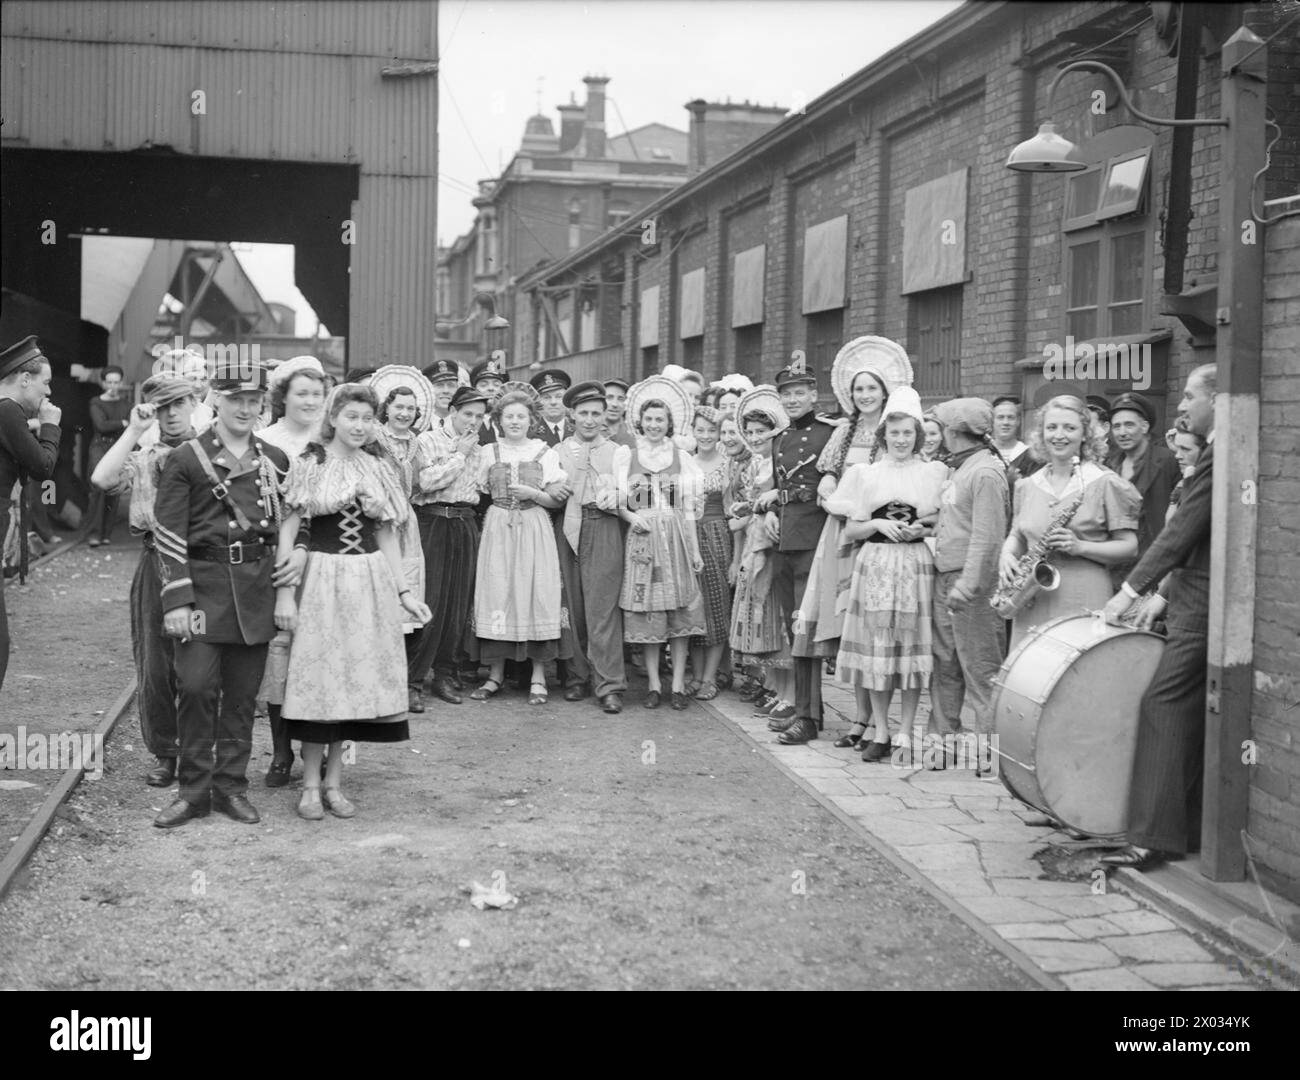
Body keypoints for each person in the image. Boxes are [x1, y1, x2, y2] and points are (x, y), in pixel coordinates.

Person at [273, 384, 431, 821]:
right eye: (351, 417)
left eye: (366, 418)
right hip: (321, 577)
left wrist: (404, 592)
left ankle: (335, 783)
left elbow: (386, 534)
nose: (359, 426)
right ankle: (308, 786)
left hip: (367, 581)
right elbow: (288, 528)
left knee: (352, 680)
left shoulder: (377, 465)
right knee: (318, 679)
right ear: (334, 417)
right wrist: (285, 589)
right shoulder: (312, 461)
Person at [152, 359, 290, 828]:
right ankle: (193, 792)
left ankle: (231, 787)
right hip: (202, 591)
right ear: (216, 399)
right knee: (194, 688)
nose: (246, 408)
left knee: (240, 699)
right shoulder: (187, 458)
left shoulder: (274, 459)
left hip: (254, 594)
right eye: (236, 400)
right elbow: (168, 533)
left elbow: (292, 525)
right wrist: (178, 601)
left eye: (255, 401)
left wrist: (295, 566)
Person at [1101, 366, 1216, 870]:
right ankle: (1185, 829)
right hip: (1188, 599)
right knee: (1185, 715)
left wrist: (1130, 591)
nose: (1183, 405)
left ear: (1216, 397)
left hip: (1198, 605)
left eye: (1191, 395)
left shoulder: (1213, 454)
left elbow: (1179, 534)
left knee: (1162, 706)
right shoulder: (1211, 451)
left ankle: (1152, 837)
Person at [792, 336, 910, 745]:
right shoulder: (844, 431)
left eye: (871, 389)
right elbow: (828, 472)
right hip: (840, 531)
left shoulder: (893, 433)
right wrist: (828, 492)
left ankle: (874, 721)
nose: (864, 395)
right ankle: (859, 719)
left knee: (871, 629)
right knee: (847, 629)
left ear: (884, 392)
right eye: (858, 389)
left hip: (875, 535)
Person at [89, 373, 200, 787]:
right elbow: (102, 479)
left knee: (202, 663)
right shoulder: (145, 453)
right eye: (163, 406)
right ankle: (166, 753)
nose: (172, 414)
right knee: (156, 664)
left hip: (202, 562)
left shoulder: (211, 451)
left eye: (179, 404)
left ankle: (199, 750)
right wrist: (135, 429)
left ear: (194, 403)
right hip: (156, 563)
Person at [834, 388, 947, 761]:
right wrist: (877, 521)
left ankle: (905, 730)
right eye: (894, 433)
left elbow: (939, 521)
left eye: (908, 433)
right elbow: (851, 529)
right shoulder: (865, 474)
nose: (901, 440)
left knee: (911, 647)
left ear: (918, 435)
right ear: (884, 436)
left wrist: (924, 529)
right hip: (878, 562)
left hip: (914, 564)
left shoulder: (934, 473)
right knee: (879, 649)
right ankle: (880, 728)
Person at [999, 395, 1140, 647]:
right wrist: (1007, 555)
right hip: (1032, 596)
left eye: (1069, 427)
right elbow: (1017, 535)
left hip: (1083, 596)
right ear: (1041, 434)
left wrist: (1081, 546)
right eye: (1051, 427)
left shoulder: (1105, 482)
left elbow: (1129, 546)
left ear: (1085, 434)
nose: (1059, 435)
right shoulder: (1027, 485)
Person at [468, 388, 569, 705]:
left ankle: (539, 677)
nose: (514, 421)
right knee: (499, 593)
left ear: (531, 420)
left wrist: (533, 493)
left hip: (534, 526)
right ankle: (495, 674)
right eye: (508, 416)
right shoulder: (488, 453)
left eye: (520, 416)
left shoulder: (545, 453)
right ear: (498, 420)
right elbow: (474, 487)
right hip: (498, 526)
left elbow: (557, 497)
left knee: (537, 593)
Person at [254, 355, 327, 785]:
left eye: (317, 394)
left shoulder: (334, 438)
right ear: (283, 396)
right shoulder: (263, 439)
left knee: (318, 654)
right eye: (302, 393)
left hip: (327, 559)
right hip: (278, 558)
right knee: (278, 652)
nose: (310, 401)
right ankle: (281, 752)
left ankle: (315, 754)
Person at [759, 356, 837, 744]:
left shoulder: (830, 433)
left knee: (807, 627)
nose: (792, 399)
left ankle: (808, 714)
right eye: (786, 394)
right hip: (785, 539)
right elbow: (779, 485)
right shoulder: (780, 439)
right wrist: (772, 510)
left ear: (813, 395)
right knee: (795, 628)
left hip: (815, 537)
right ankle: (806, 710)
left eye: (799, 392)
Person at [618, 378, 706, 710]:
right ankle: (655, 684)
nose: (655, 425)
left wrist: (694, 550)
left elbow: (688, 508)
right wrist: (632, 518)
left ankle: (679, 685)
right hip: (643, 537)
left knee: (680, 615)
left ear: (670, 424)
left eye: (661, 420)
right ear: (641, 422)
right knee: (650, 611)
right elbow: (617, 501)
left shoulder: (681, 457)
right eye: (650, 419)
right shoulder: (629, 455)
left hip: (675, 538)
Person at [929, 398, 1010, 739]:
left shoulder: (985, 472)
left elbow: (988, 538)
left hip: (971, 585)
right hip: (947, 577)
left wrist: (969, 583)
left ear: (953, 431)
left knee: (980, 667)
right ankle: (944, 735)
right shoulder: (962, 468)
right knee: (945, 662)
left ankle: (990, 746)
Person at [406, 385, 488, 708]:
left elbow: (481, 488)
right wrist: (459, 455)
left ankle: (446, 674)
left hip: (464, 521)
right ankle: (413, 679)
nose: (472, 422)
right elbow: (424, 483)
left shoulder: (482, 448)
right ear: (451, 412)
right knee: (430, 599)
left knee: (458, 602)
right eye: (467, 414)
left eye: (479, 416)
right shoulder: (427, 441)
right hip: (433, 520)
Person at [553, 380, 630, 714]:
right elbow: (548, 491)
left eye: (595, 413)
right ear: (572, 415)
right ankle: (576, 677)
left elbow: (641, 495)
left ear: (604, 416)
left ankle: (609, 684)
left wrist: (620, 496)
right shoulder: (556, 452)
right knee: (572, 605)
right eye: (582, 413)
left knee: (603, 607)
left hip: (604, 525)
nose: (588, 419)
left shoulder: (620, 452)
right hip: (567, 527)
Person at [0, 336, 62, 691]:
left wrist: (33, 428)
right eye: (45, 381)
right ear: (24, 378)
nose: (48, 391)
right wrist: (51, 426)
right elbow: (42, 467)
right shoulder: (8, 410)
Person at [727, 391, 793, 706]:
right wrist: (747, 508)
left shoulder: (782, 462)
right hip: (754, 541)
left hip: (773, 546)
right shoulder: (754, 464)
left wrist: (765, 508)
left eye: (761, 431)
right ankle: (774, 687)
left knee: (776, 617)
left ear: (775, 431)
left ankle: (787, 692)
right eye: (750, 432)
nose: (755, 437)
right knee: (761, 617)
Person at [1104, 392, 1181, 585]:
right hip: (1117, 565)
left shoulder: (1167, 461)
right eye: (1117, 426)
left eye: (1129, 425)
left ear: (1145, 427)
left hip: (1154, 563)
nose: (1122, 432)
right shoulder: (1109, 465)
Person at [687, 405, 733, 700]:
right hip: (689, 536)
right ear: (692, 431)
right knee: (693, 608)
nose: (705, 436)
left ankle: (710, 677)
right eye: (700, 429)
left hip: (717, 534)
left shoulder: (727, 464)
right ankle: (695, 674)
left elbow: (731, 507)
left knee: (717, 607)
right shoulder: (685, 462)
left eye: (711, 430)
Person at [85, 365, 131, 547]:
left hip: (118, 448)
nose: (113, 386)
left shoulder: (127, 405)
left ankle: (106, 534)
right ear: (103, 383)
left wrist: (121, 424)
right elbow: (101, 426)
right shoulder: (96, 402)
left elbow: (128, 427)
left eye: (116, 382)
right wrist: (123, 422)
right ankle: (94, 534)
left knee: (114, 489)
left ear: (121, 383)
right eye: (109, 382)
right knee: (98, 488)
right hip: (99, 446)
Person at [990, 395, 1040, 481]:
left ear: (1018, 421)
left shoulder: (1031, 456)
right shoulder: (984, 454)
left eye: (1011, 417)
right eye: (1000, 417)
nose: (1005, 422)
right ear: (992, 421)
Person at [469, 357, 508, 444]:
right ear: (474, 390)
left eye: (496, 385)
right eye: (484, 385)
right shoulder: (467, 420)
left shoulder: (511, 420)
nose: (491, 389)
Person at [531, 369, 573, 445]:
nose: (553, 402)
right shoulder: (529, 434)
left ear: (566, 399)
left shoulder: (578, 433)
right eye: (547, 397)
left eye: (558, 396)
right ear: (539, 402)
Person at [602, 377, 636, 448]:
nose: (615, 404)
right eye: (609, 397)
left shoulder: (634, 433)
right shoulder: (590, 430)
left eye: (621, 399)